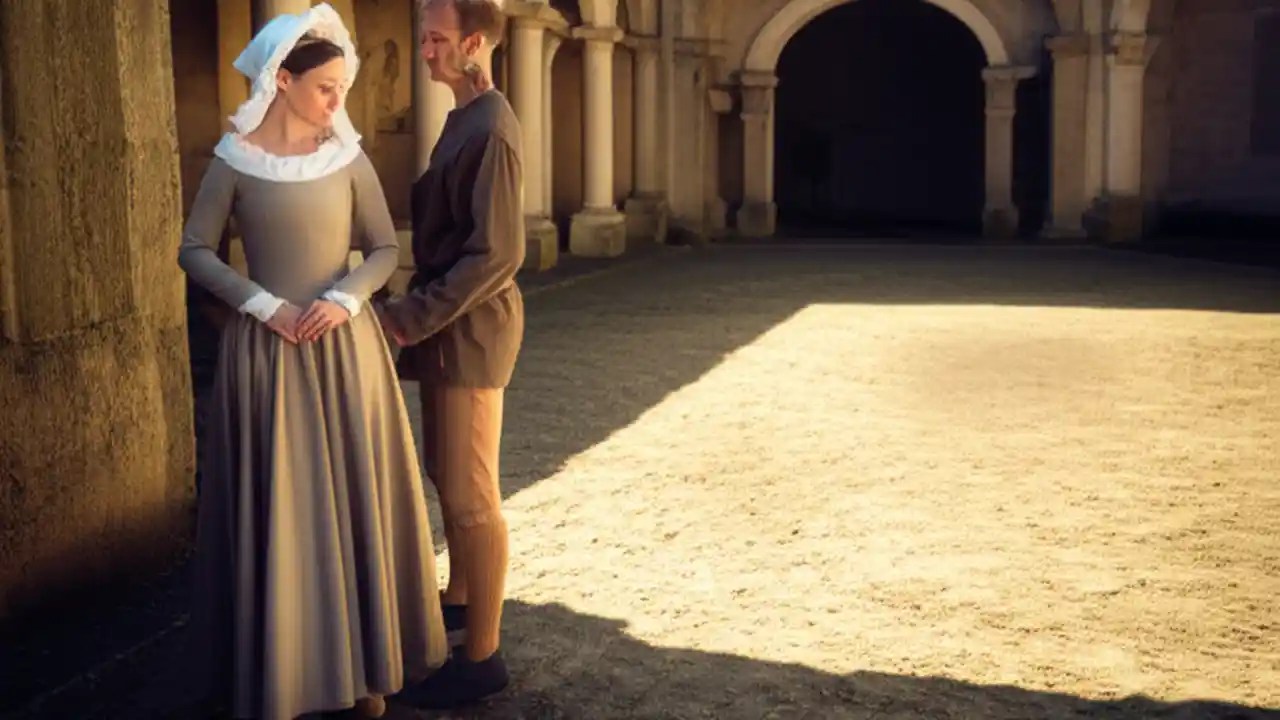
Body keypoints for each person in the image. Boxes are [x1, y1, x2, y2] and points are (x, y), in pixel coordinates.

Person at [178, 5, 447, 718]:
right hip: (266, 354)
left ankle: (366, 673)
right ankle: (282, 677)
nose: (336, 101)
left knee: (352, 502)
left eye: (342, 88)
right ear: (283, 80)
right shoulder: (234, 160)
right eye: (326, 87)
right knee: (282, 506)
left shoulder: (347, 157)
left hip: (343, 350)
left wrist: (346, 298)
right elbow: (194, 251)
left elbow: (385, 248)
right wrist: (263, 305)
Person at [376, 0, 525, 709]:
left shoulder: (491, 127)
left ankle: (483, 657)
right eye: (424, 38)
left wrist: (406, 318)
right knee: (444, 472)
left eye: (437, 39)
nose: (425, 51)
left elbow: (497, 254)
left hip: (470, 327)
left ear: (475, 43)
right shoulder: (462, 117)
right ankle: (462, 600)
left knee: (470, 493)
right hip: (447, 325)